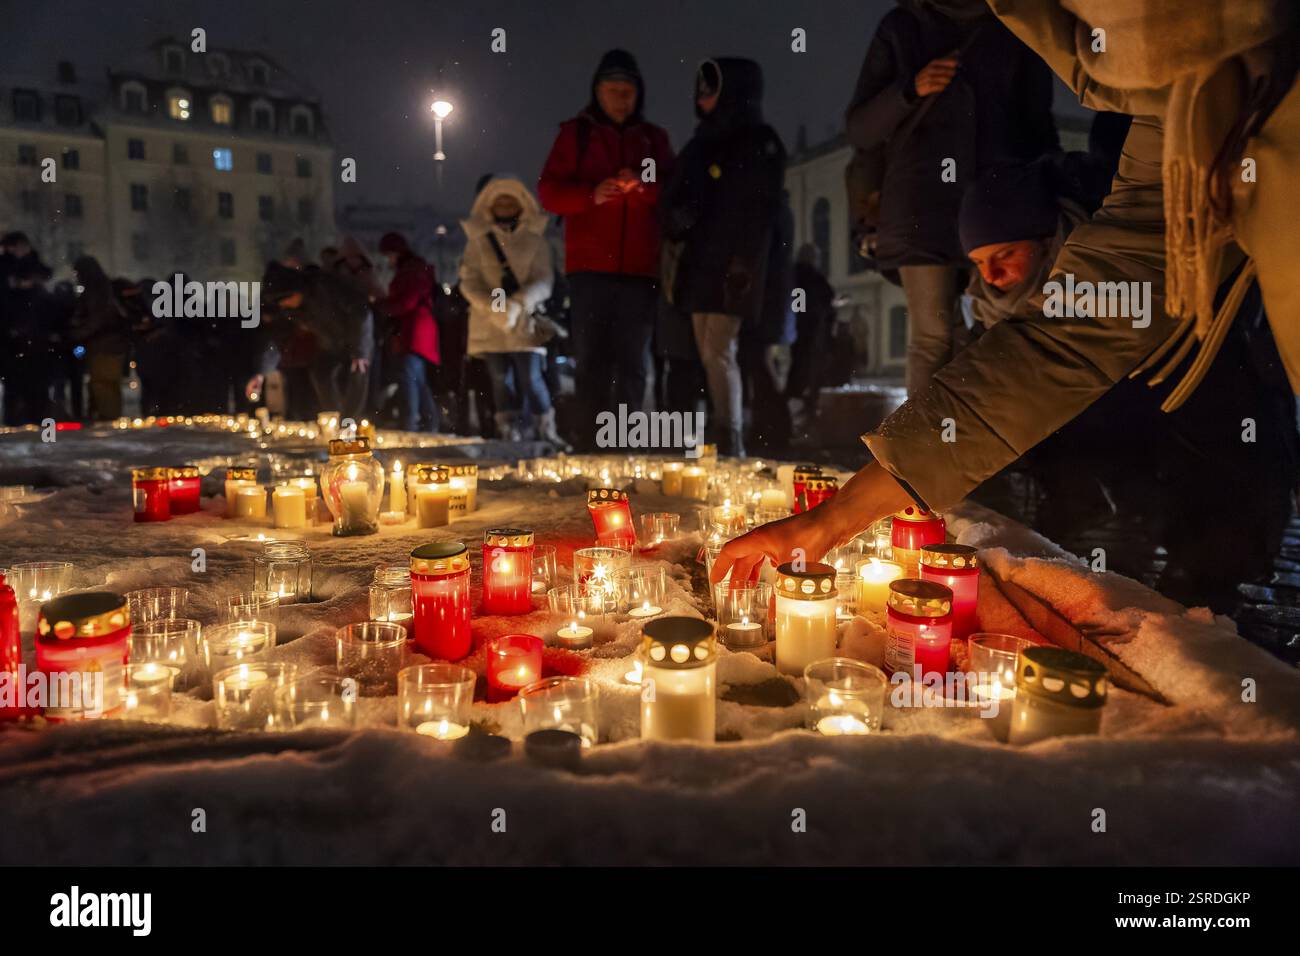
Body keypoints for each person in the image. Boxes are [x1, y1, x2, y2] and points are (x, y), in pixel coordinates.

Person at [713, 0, 1300, 597]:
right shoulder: (1184, 112)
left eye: (1078, 35)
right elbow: (1066, 340)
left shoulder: (1214, 89)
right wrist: (834, 518)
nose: (1093, 87)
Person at [844, 0, 1058, 395]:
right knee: (934, 336)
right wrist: (909, 89)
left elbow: (1038, 124)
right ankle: (919, 453)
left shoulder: (1015, 21)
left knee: (997, 331)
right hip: (922, 205)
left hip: (995, 210)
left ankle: (979, 447)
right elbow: (860, 130)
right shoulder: (903, 27)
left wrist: (1045, 197)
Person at [538, 49, 674, 446]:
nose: (621, 98)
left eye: (628, 91)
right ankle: (589, 442)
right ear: (597, 92)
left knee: (633, 362)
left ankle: (625, 441)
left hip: (639, 271)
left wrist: (645, 187)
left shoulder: (653, 139)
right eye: (612, 90)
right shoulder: (575, 135)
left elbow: (676, 192)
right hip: (589, 271)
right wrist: (590, 195)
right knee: (592, 361)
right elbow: (549, 192)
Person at [660, 57, 786, 457]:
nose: (703, 98)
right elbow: (681, 196)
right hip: (700, 268)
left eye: (711, 89)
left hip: (732, 270)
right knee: (708, 353)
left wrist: (741, 267)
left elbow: (756, 215)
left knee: (719, 353)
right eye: (700, 89)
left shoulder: (756, 142)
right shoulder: (702, 142)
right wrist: (678, 215)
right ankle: (723, 435)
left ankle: (730, 438)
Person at [458, 176, 565, 445]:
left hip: (525, 322)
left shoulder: (536, 241)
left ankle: (545, 427)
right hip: (489, 323)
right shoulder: (477, 241)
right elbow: (470, 281)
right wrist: (496, 307)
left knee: (531, 377)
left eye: (510, 200)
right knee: (499, 380)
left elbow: (543, 280)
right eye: (500, 201)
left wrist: (516, 303)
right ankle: (511, 430)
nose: (505, 205)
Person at [377, 231, 440, 432]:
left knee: (410, 380)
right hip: (417, 332)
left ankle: (411, 423)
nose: (388, 260)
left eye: (389, 255)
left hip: (413, 332)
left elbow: (407, 302)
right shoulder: (415, 269)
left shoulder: (411, 271)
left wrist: (383, 306)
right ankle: (429, 424)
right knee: (418, 380)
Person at [70, 256, 128, 420]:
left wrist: (76, 334)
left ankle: (107, 417)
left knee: (104, 384)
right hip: (110, 345)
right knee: (105, 384)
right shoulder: (105, 288)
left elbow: (97, 319)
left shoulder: (97, 290)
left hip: (104, 345)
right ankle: (105, 415)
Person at [785, 243, 837, 420]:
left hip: (797, 331)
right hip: (813, 333)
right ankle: (806, 409)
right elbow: (827, 305)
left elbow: (797, 305)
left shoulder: (792, 276)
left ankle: (794, 403)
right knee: (810, 371)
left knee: (798, 366)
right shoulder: (816, 278)